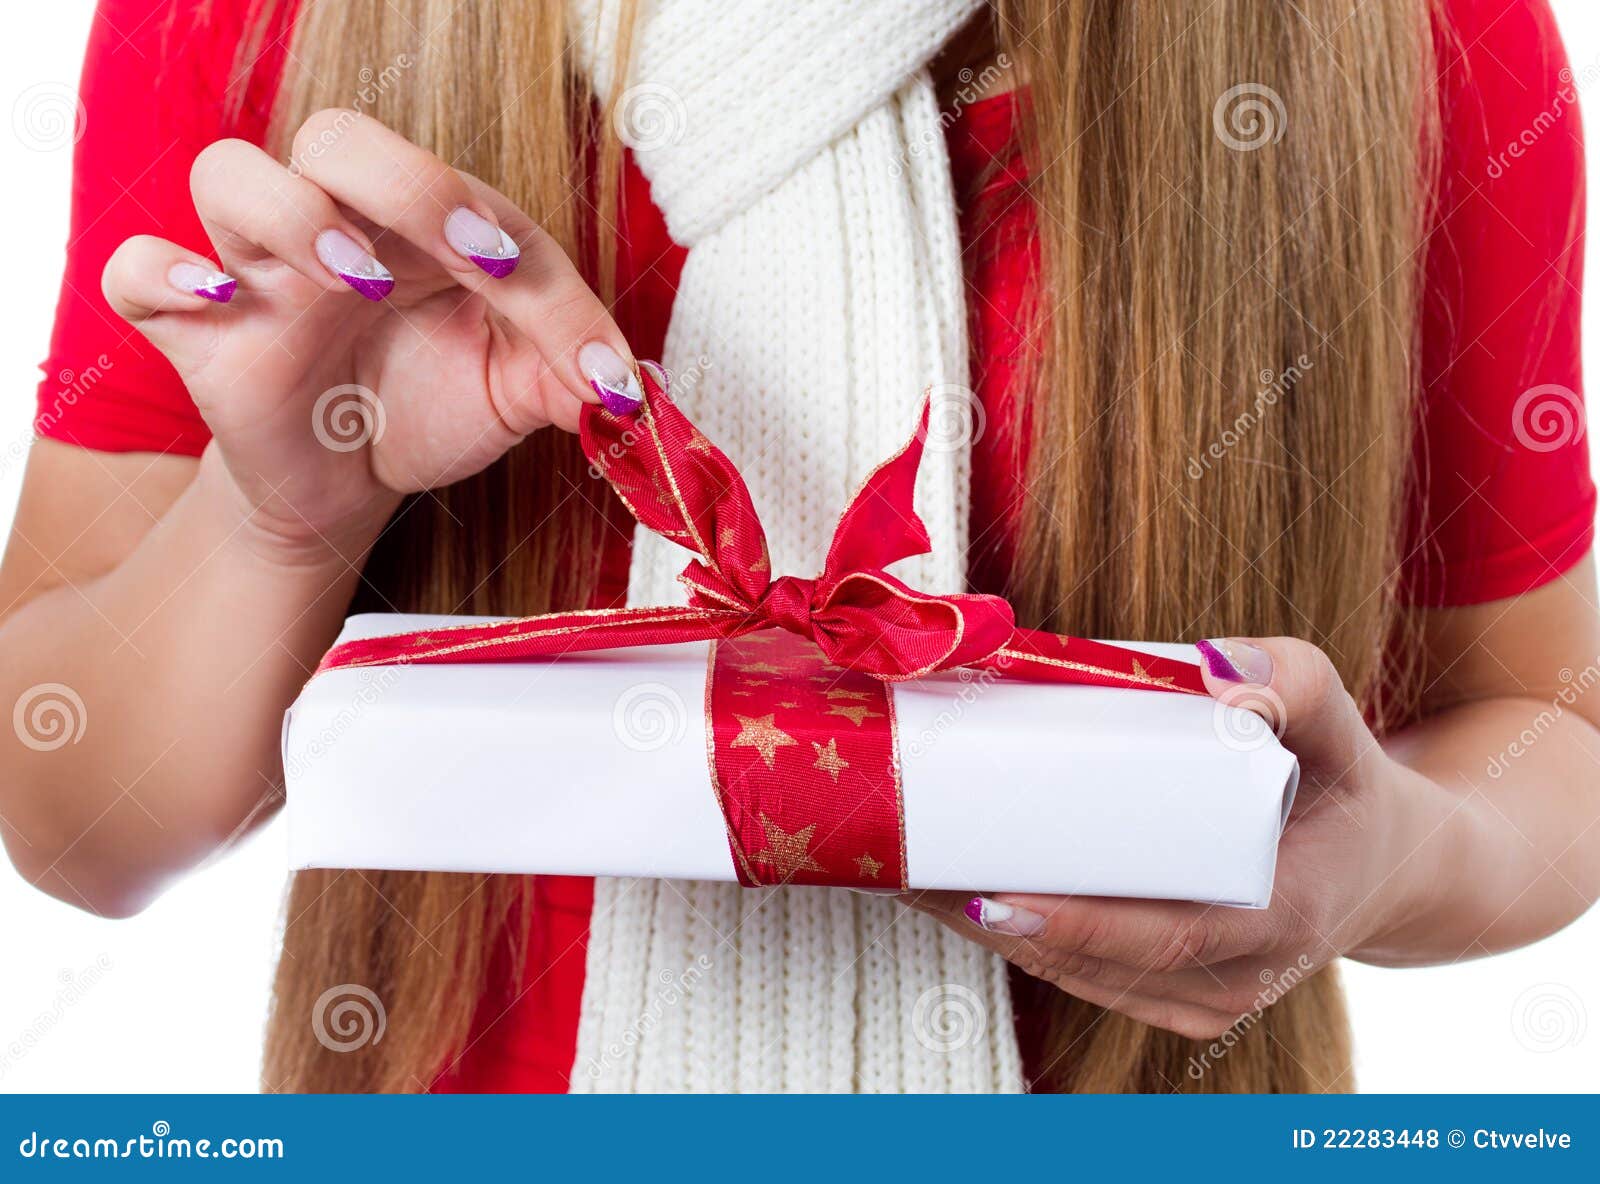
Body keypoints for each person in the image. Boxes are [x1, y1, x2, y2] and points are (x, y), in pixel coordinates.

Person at [2, 0, 1596, 1093]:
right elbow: (72, 817)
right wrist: (281, 520)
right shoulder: (262, 22)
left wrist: (1390, 852)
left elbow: (1555, 735)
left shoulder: (1402, 38)